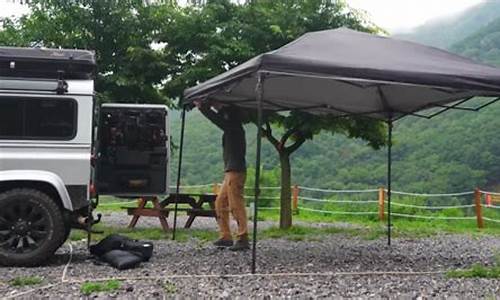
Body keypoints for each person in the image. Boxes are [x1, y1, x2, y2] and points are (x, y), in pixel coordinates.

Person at [194, 100, 249, 251]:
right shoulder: (234, 127)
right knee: (220, 202)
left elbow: (218, 120)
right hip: (232, 171)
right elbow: (220, 119)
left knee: (235, 204)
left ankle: (243, 237)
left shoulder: (233, 127)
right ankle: (226, 236)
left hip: (235, 172)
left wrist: (204, 108)